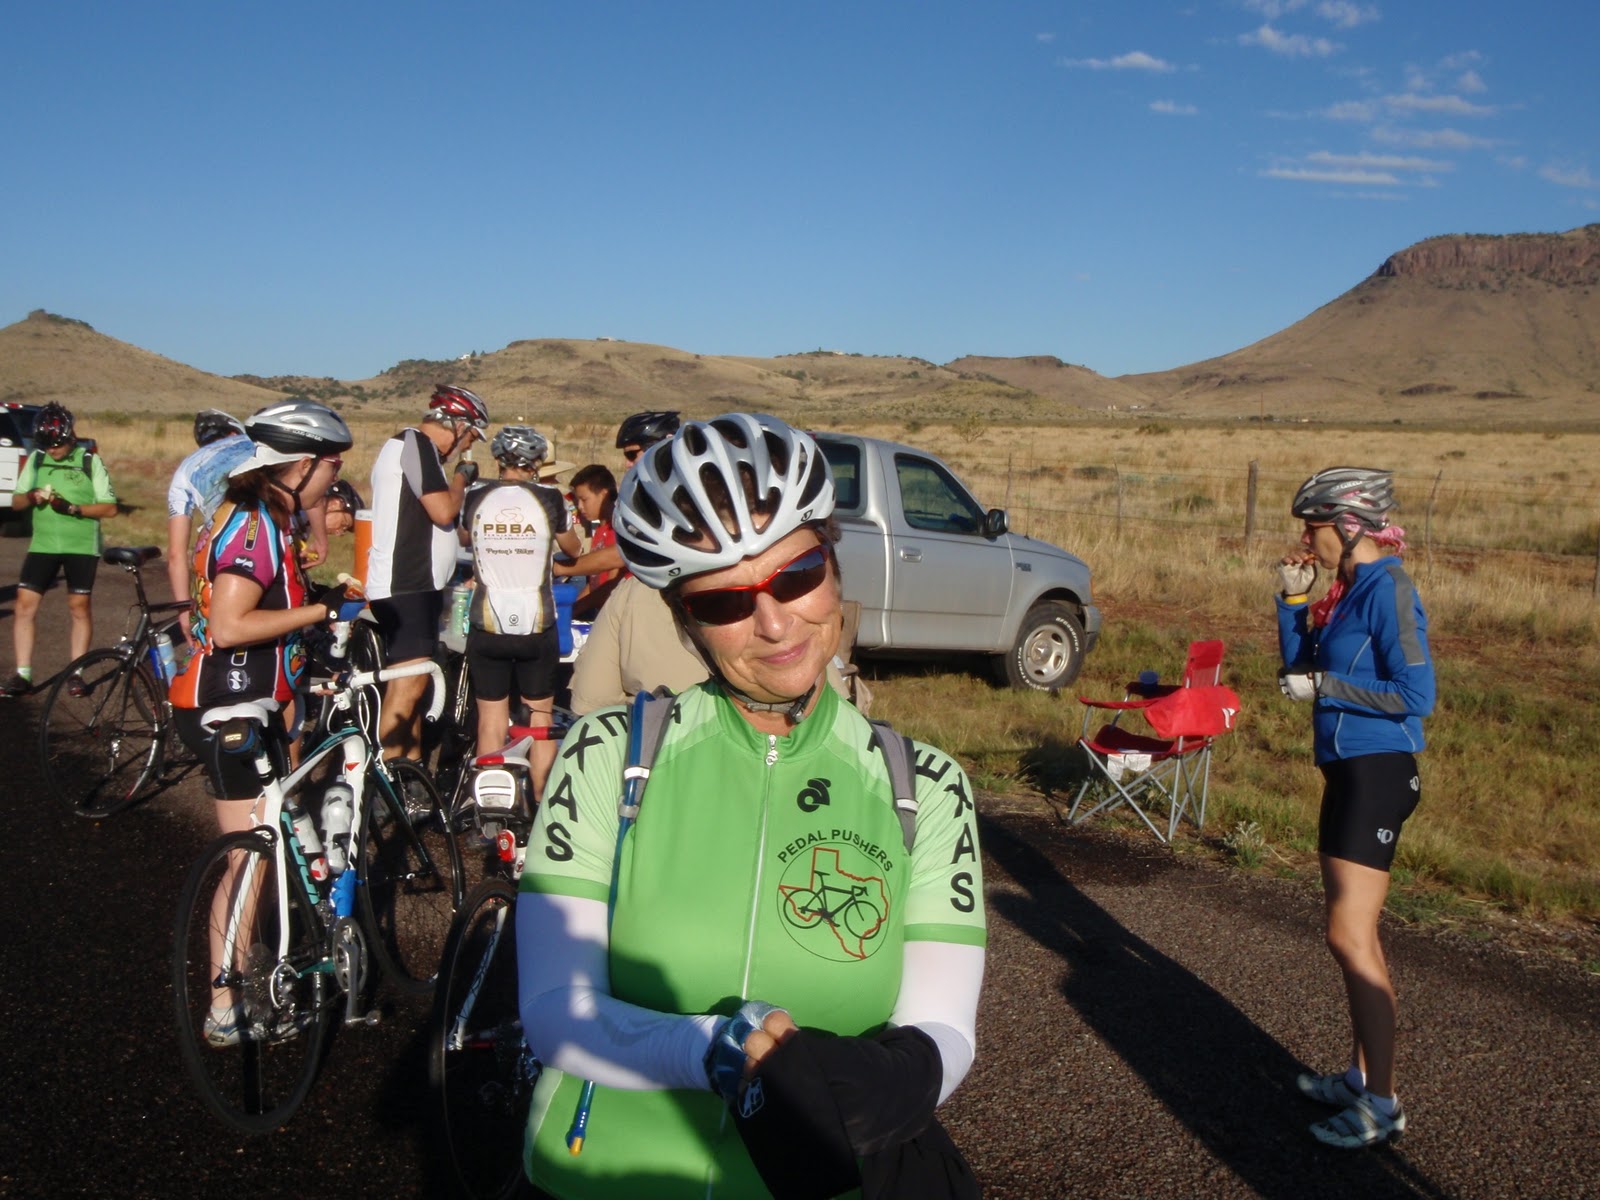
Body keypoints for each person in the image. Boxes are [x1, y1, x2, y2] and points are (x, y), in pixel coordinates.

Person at [517, 413, 986, 1199]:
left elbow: (944, 1024)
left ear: (833, 565)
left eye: (797, 576)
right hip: (603, 1177)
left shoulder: (924, 785)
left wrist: (900, 1080)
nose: (774, 624)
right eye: (726, 601)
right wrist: (713, 1051)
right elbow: (553, 1008)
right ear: (684, 619)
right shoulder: (607, 756)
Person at [164, 399, 354, 1043]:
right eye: (332, 464)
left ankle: (242, 986)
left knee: (260, 853)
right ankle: (225, 1006)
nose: (335, 478)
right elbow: (229, 625)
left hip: (256, 698)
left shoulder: (272, 515)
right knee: (248, 860)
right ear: (301, 465)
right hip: (228, 704)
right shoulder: (254, 525)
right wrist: (320, 613)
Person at [1275, 466, 1435, 1149]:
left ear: (1346, 525)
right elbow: (1296, 669)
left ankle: (1383, 1102)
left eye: (1311, 527)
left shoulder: (1389, 587)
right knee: (1354, 937)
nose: (1304, 541)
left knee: (1348, 936)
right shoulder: (1343, 592)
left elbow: (1415, 695)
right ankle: (1359, 1077)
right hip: (1345, 768)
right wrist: (1290, 605)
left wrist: (1328, 685)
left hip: (1379, 770)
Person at [366, 384, 487, 760]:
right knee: (407, 686)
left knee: (413, 683)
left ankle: (408, 770)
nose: (466, 445)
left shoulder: (418, 450)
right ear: (455, 423)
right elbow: (442, 511)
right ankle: (388, 775)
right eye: (469, 435)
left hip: (414, 583)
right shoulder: (415, 444)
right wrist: (462, 479)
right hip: (408, 583)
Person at [459, 425, 581, 795]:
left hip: (487, 619)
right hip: (536, 620)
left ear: (498, 460)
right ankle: (542, 805)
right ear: (537, 462)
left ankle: (490, 810)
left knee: (490, 720)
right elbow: (573, 549)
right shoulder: (551, 497)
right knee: (540, 719)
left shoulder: (475, 495)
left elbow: (465, 538)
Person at [4, 403, 119, 697]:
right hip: (43, 545)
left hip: (81, 546)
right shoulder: (38, 461)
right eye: (46, 445)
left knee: (78, 608)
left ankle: (76, 673)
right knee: (24, 606)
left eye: (57, 445)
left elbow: (109, 508)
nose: (52, 450)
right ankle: (23, 674)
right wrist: (32, 495)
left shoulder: (89, 462)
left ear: (70, 437)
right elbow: (16, 502)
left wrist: (73, 508)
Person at [552, 410, 679, 589]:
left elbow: (624, 553)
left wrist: (557, 568)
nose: (627, 463)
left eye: (632, 455)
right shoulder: (649, 494)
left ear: (658, 447)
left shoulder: (673, 497)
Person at [166, 409, 251, 643]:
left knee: (213, 642)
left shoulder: (186, 468)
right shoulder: (254, 446)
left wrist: (184, 611)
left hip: (218, 555)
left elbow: (176, 554)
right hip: (263, 549)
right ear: (235, 432)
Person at [567, 463, 619, 617]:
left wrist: (577, 608)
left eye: (584, 500)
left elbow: (612, 584)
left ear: (603, 494)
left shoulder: (617, 530)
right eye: (577, 501)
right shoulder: (599, 530)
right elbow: (594, 583)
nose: (580, 507)